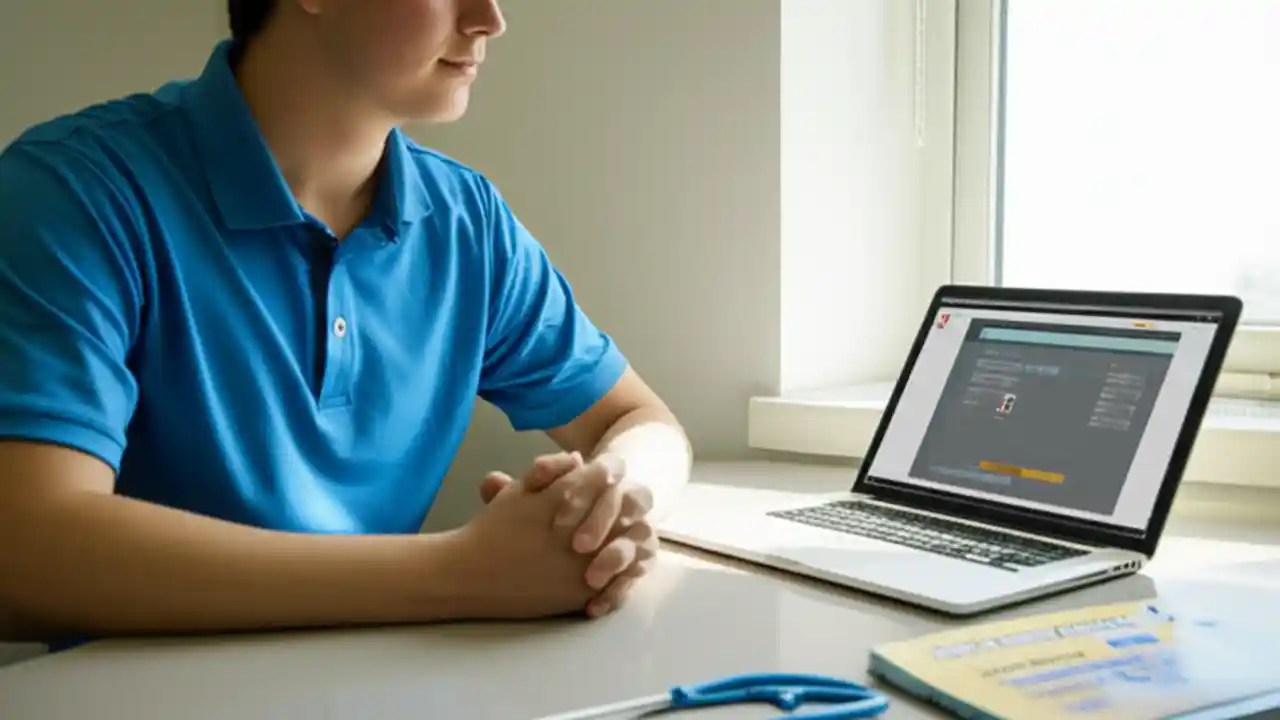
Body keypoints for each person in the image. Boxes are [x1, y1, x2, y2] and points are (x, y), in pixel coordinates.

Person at [0, 0, 691, 644]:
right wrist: (460, 573)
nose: (491, 18)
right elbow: (24, 547)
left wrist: (607, 508)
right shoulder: (72, 194)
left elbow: (639, 422)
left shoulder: (466, 222)